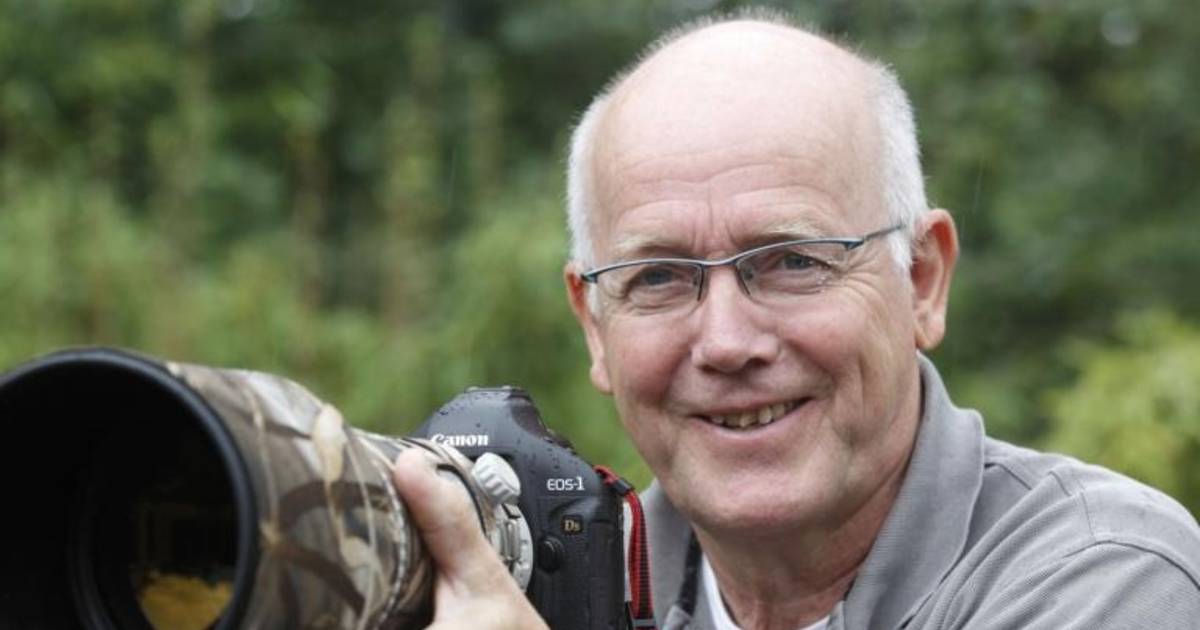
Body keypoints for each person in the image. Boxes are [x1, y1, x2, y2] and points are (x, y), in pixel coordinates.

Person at [393, 11, 1200, 630]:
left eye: (792, 262)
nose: (728, 342)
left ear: (921, 279)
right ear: (595, 325)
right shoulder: (558, 589)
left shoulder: (1103, 576)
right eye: (661, 277)